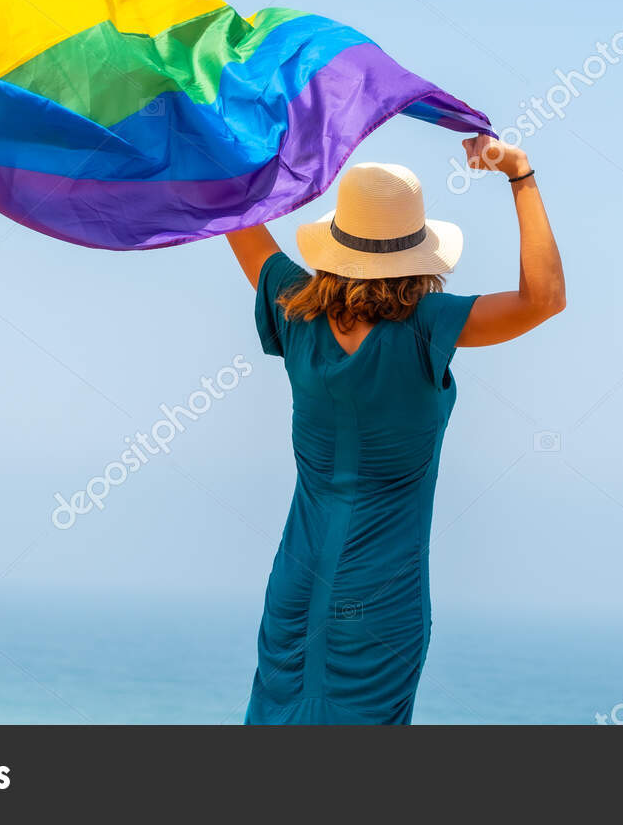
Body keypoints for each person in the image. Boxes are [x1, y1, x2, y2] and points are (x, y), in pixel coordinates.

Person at [225, 135, 565, 724]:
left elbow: (234, 206)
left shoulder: (293, 308)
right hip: (382, 597)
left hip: (298, 584)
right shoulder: (428, 326)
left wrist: (219, 128)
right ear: (416, 249)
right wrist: (520, 175)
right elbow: (545, 298)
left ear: (338, 241)